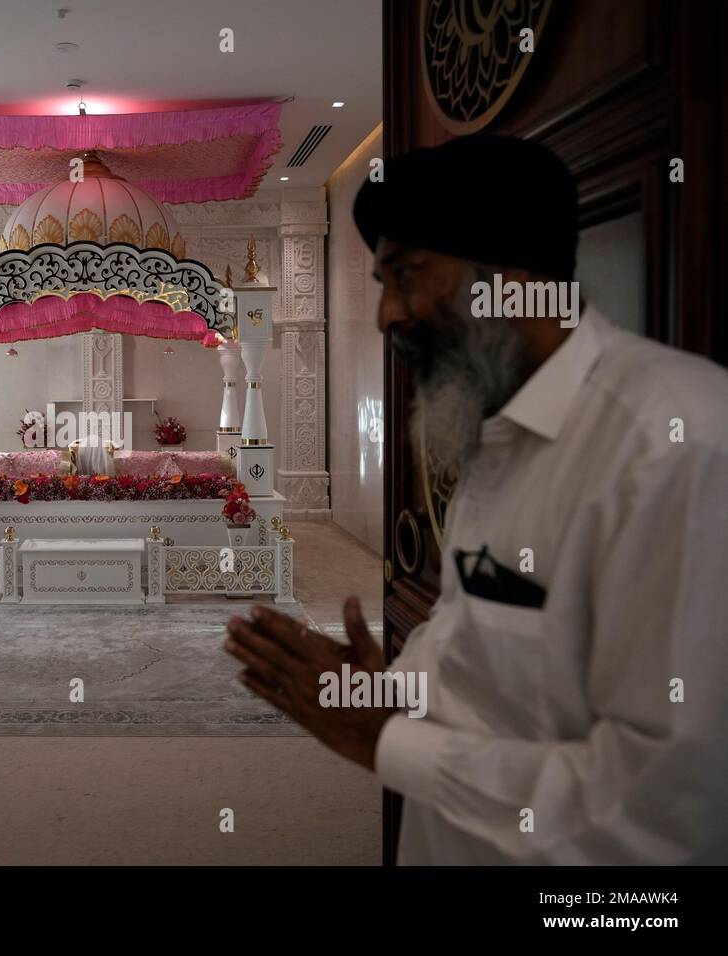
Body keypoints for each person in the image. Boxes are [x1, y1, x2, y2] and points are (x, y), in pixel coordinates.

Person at [225, 135, 728, 864]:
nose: (386, 315)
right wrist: (391, 691)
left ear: (514, 274)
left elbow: (665, 808)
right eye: (381, 282)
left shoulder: (676, 444)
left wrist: (388, 743)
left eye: (407, 275)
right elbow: (474, 640)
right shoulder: (496, 432)